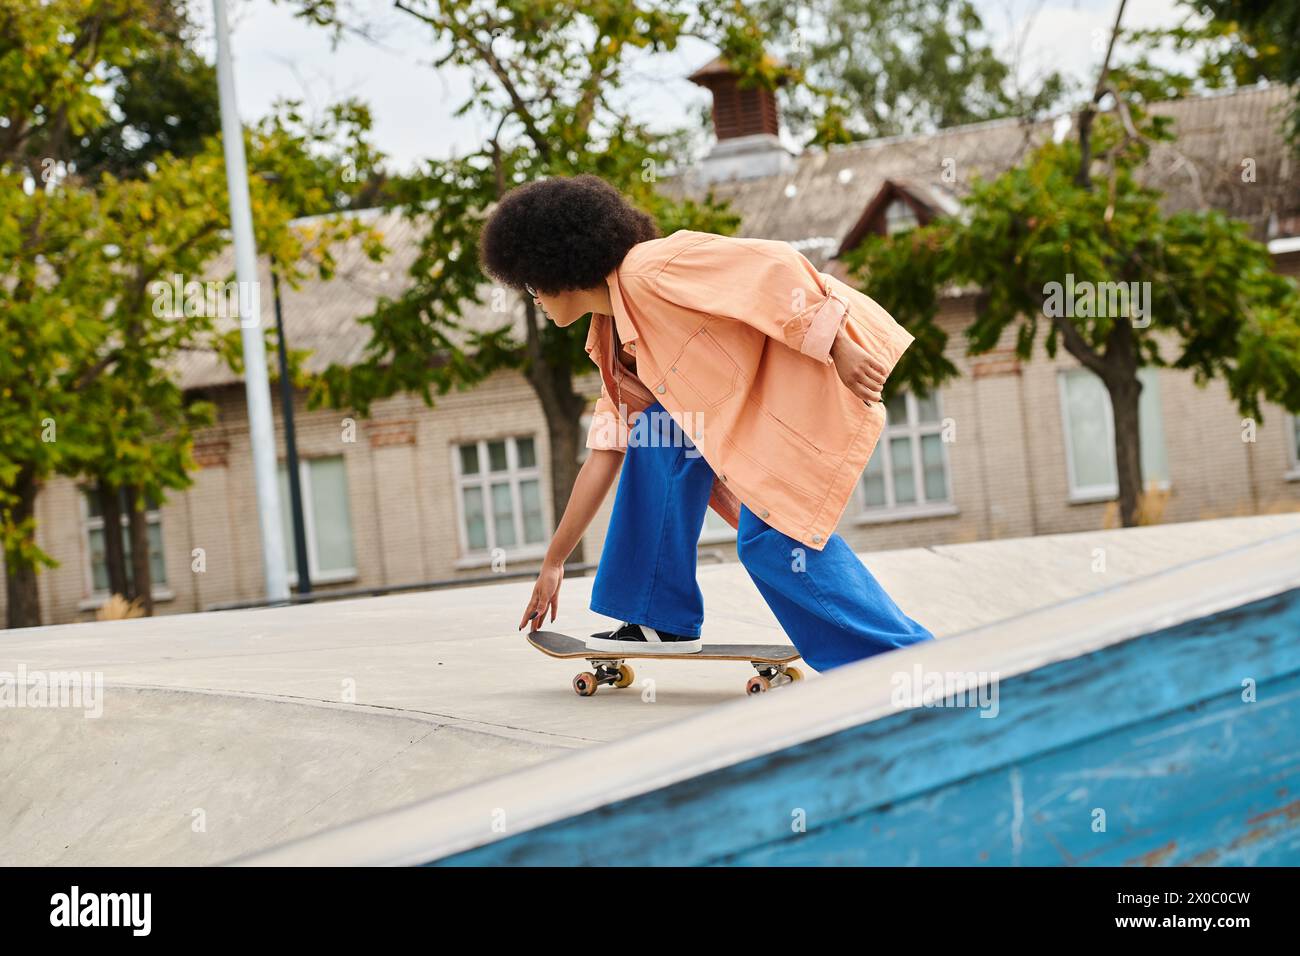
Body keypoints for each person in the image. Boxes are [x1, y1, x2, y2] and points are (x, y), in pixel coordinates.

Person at [479, 174, 933, 672]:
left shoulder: (651, 268)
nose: (533, 298)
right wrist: (554, 561)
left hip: (815, 381)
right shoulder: (611, 342)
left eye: (530, 283)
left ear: (556, 265)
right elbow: (605, 455)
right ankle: (657, 615)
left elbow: (772, 265)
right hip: (759, 423)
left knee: (772, 544)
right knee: (656, 434)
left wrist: (836, 344)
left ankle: (906, 660)